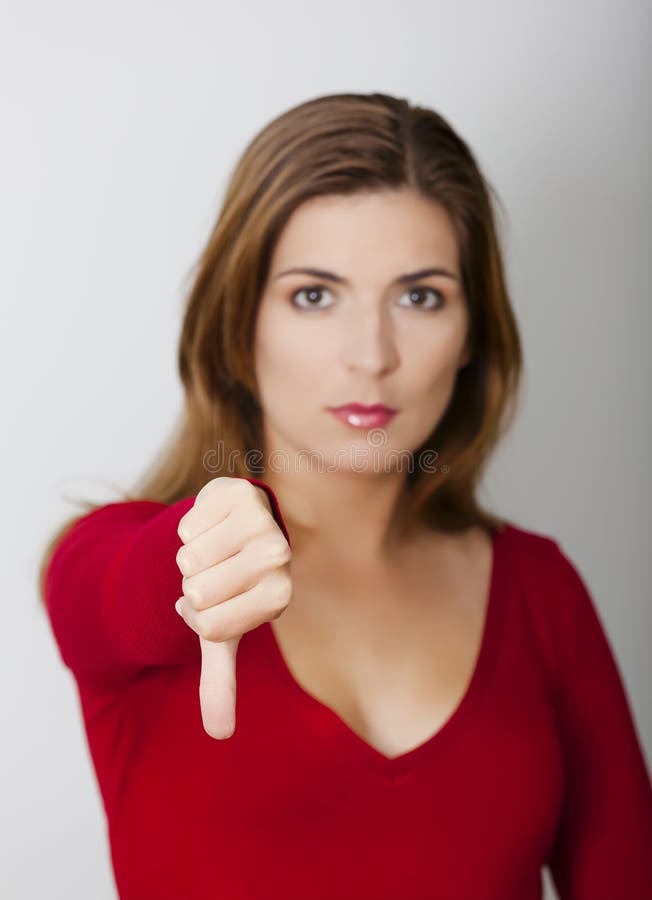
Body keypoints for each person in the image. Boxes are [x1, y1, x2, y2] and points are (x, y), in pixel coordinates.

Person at [39, 92, 652, 900]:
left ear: (471, 333)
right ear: (239, 323)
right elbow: (122, 593)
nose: (371, 354)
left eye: (420, 296)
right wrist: (197, 551)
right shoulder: (118, 557)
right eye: (315, 295)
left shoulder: (541, 593)